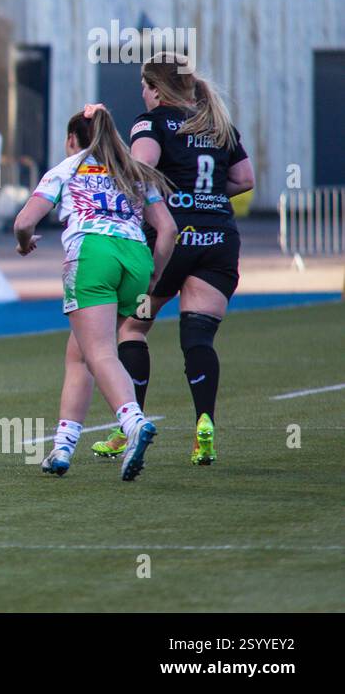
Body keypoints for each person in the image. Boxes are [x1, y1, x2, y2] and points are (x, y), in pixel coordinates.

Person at [91, 53, 254, 465]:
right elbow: (245, 179)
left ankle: (131, 425)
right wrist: (207, 199)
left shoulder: (152, 123)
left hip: (169, 245)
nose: (142, 95)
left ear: (156, 89)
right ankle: (204, 424)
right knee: (198, 337)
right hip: (218, 240)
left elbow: (142, 165)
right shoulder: (217, 124)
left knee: (132, 328)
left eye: (144, 88)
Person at [12, 104, 176, 481]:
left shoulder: (67, 168)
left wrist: (24, 245)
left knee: (100, 351)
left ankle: (134, 424)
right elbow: (167, 231)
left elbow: (24, 222)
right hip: (135, 259)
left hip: (92, 254)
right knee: (80, 353)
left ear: (72, 139)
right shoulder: (132, 171)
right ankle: (63, 446)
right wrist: (152, 278)